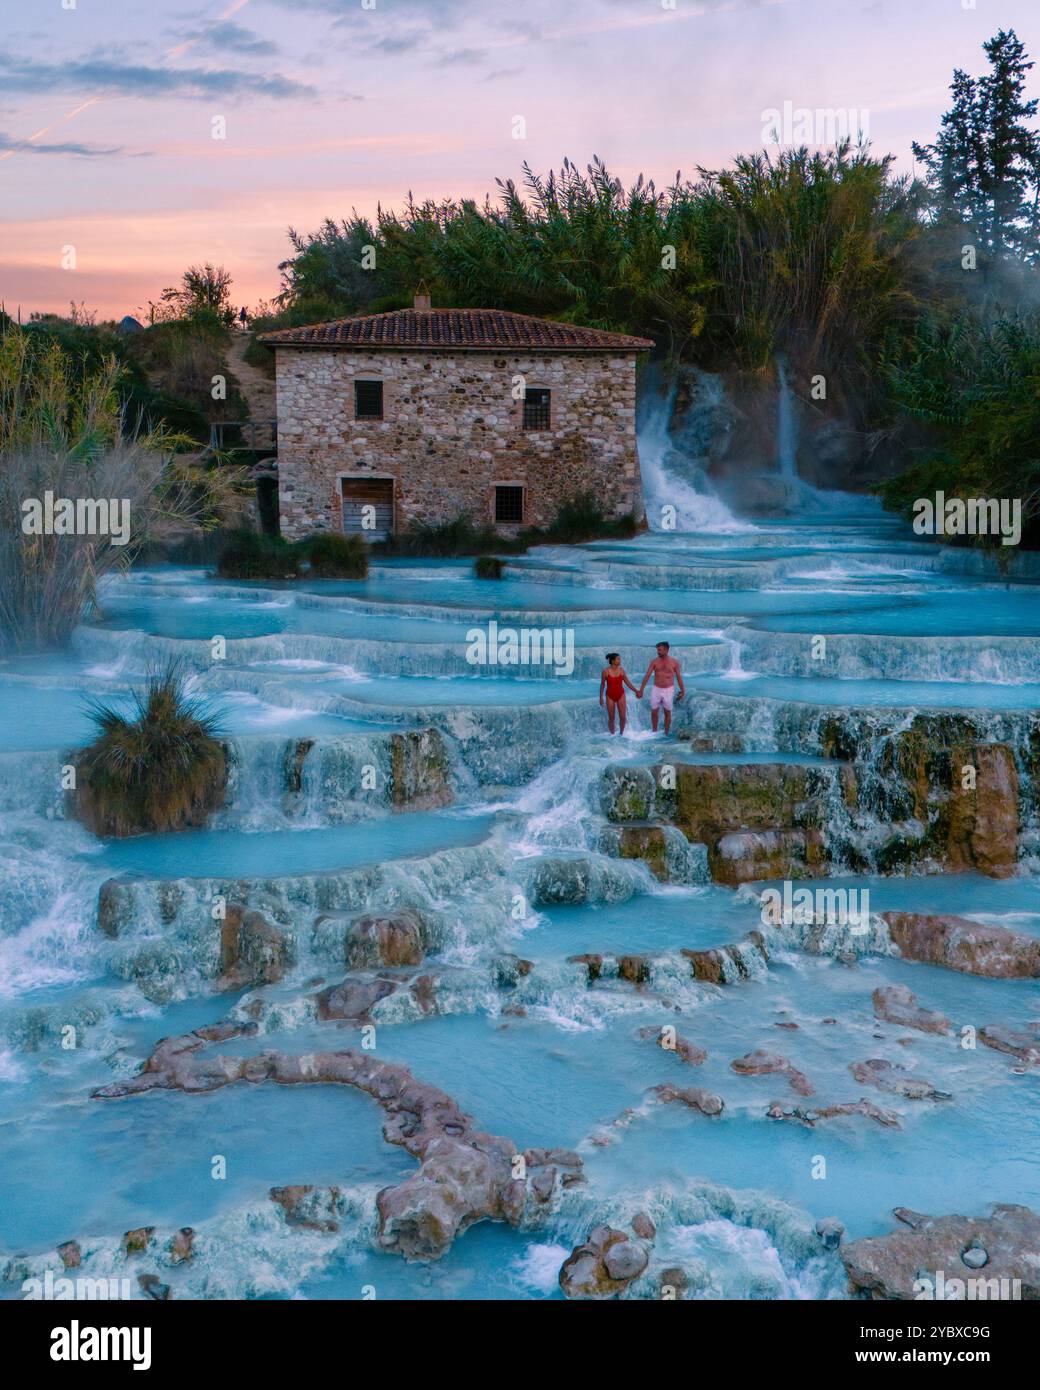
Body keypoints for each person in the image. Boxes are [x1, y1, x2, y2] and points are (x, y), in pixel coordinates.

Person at [637, 641, 685, 734]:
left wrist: (683, 691)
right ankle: (654, 732)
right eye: (657, 650)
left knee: (667, 712)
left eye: (660, 650)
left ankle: (666, 732)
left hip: (668, 690)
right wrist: (641, 690)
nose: (658, 652)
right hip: (656, 689)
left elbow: (679, 677)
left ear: (666, 649)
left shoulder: (674, 662)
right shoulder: (654, 662)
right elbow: (647, 676)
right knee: (654, 711)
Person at [599, 652, 638, 735]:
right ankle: (612, 735)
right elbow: (602, 685)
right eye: (618, 659)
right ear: (613, 661)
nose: (620, 661)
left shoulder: (621, 670)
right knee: (611, 718)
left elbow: (627, 682)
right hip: (610, 696)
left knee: (623, 717)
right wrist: (601, 697)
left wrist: (636, 690)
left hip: (621, 694)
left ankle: (621, 734)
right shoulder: (605, 671)